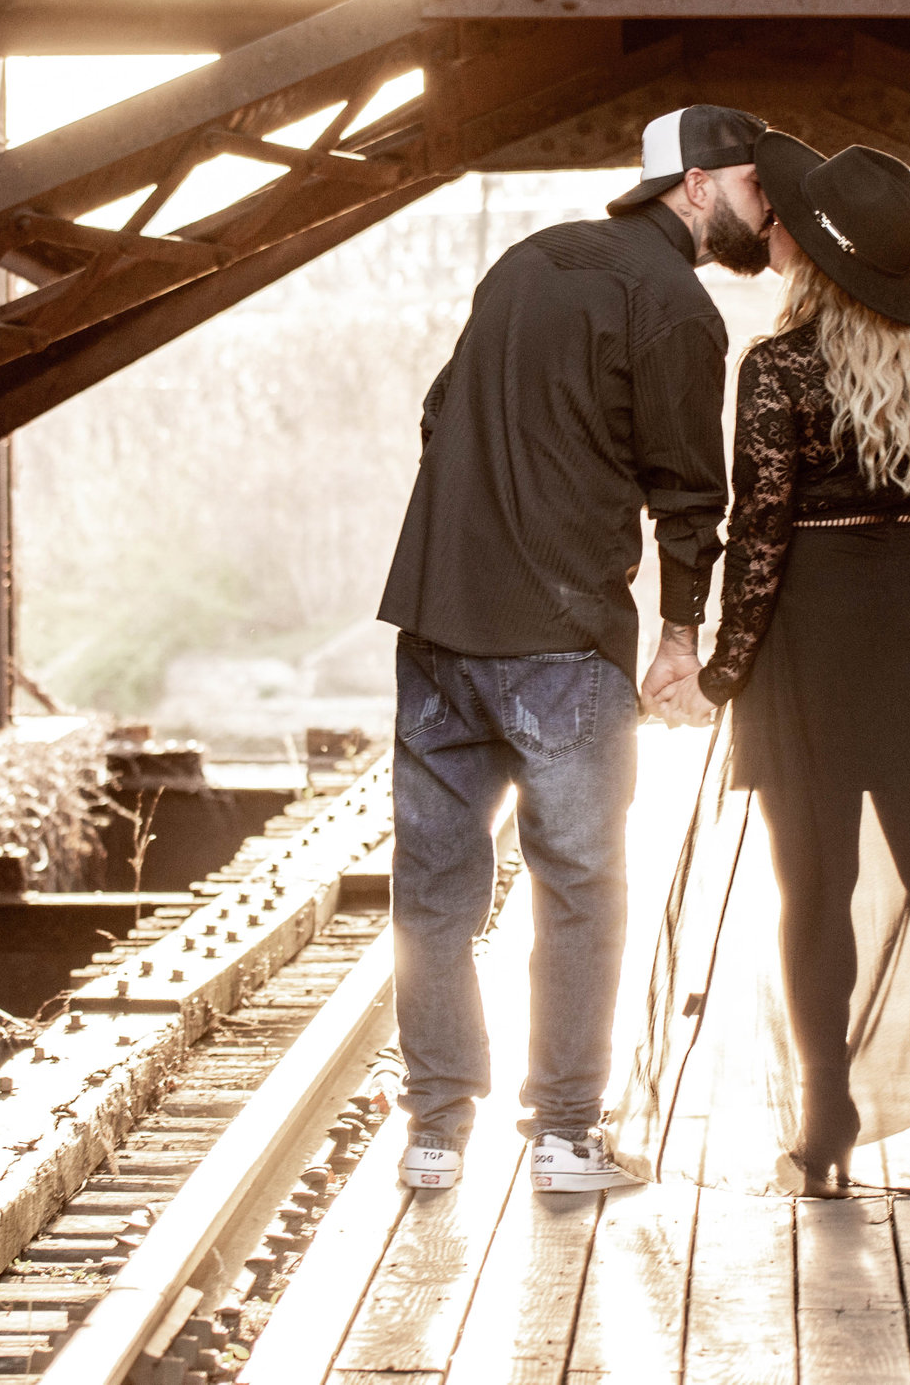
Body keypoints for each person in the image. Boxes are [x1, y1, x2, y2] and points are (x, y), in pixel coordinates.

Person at [656, 135, 910, 1198]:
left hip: (813, 638)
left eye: (786, 219)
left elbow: (761, 532)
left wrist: (719, 666)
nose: (774, 225)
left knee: (815, 892)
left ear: (809, 248)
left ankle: (827, 1126)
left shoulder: (779, 368)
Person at [377, 105, 777, 1194]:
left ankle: (432, 1130)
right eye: (754, 185)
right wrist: (681, 638)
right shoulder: (677, 311)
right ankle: (562, 1137)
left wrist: (480, 527)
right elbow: (693, 498)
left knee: (435, 893)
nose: (767, 206)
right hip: (561, 642)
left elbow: (439, 409)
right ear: (695, 186)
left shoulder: (526, 262)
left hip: (438, 625)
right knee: (582, 888)